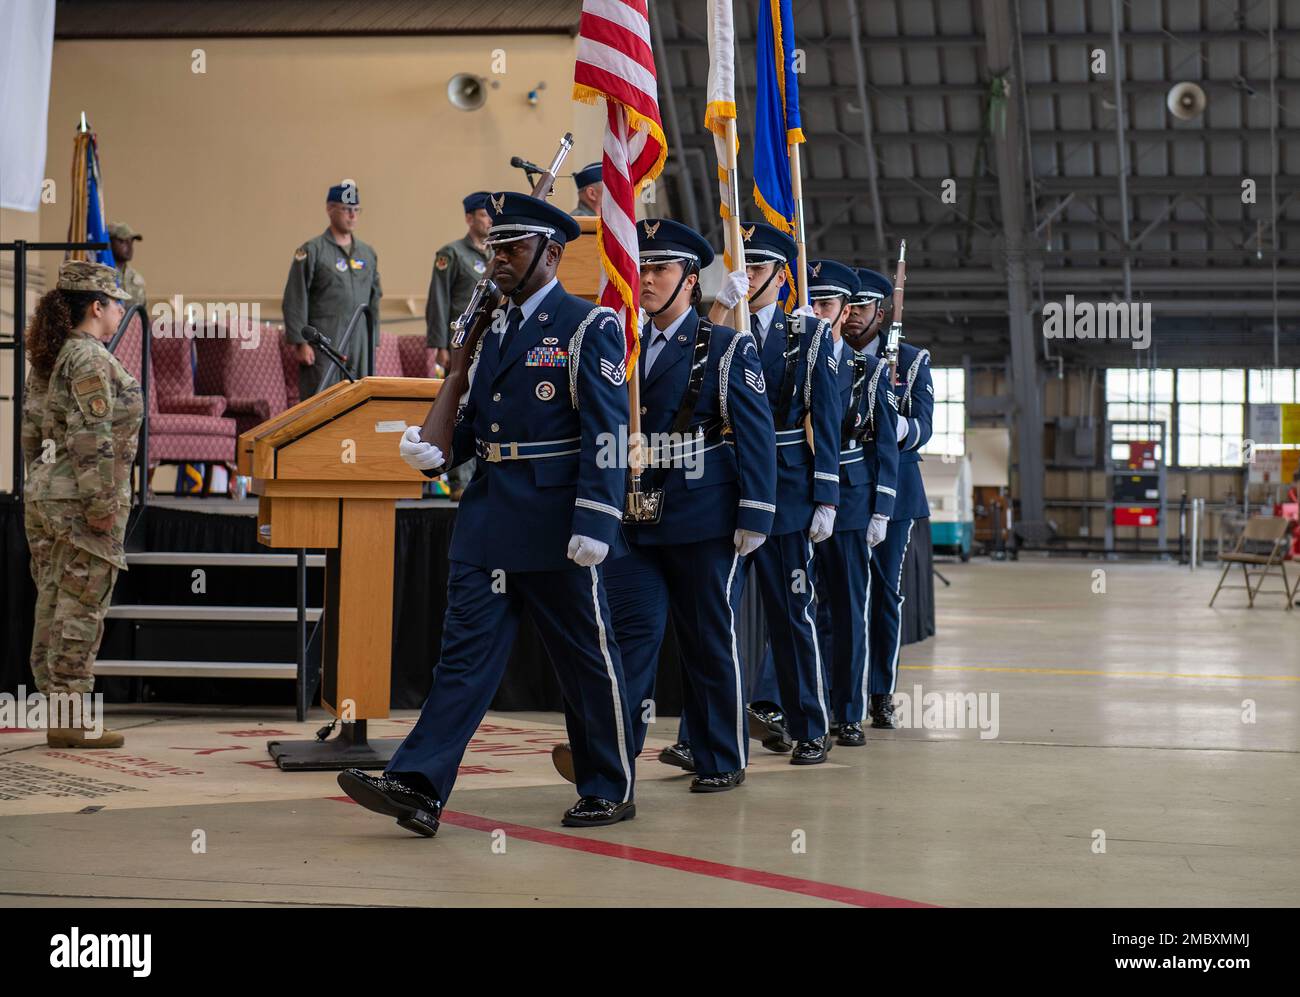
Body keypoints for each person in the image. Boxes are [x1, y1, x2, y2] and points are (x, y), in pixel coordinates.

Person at [337, 192, 636, 835]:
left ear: (550, 255)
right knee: (463, 661)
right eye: (496, 248)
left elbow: (607, 431)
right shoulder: (494, 327)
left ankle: (609, 785)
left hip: (559, 523)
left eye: (514, 248)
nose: (497, 259)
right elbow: (484, 423)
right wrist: (441, 443)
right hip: (490, 516)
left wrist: (597, 517)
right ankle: (418, 785)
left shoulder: (589, 326)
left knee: (586, 659)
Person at [551, 219, 776, 793]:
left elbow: (755, 433)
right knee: (629, 639)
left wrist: (756, 512)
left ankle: (722, 755)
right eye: (641, 269)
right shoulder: (619, 346)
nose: (645, 280)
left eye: (660, 270)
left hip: (704, 518)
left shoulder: (726, 346)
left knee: (707, 638)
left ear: (691, 281)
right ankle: (611, 751)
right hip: (634, 516)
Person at [660, 221, 840, 767]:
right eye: (743, 267)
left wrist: (826, 495)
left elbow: (825, 419)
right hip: (717, 484)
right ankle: (700, 737)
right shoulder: (716, 327)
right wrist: (719, 307)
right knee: (710, 620)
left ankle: (809, 725)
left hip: (783, 485)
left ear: (781, 276)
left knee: (790, 613)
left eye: (758, 268)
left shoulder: (806, 338)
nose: (748, 276)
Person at [22, 260, 143, 748]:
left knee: (53, 601)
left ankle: (59, 710)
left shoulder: (49, 356)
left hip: (47, 497)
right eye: (116, 304)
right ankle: (70, 719)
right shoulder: (90, 359)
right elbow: (92, 437)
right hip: (80, 501)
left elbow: (31, 433)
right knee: (80, 609)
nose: (120, 313)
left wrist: (44, 483)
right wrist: (99, 504)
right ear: (97, 307)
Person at [806, 260, 898, 746]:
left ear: (844, 312)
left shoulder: (867, 370)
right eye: (812, 302)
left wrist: (881, 509)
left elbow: (884, 444)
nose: (817, 312)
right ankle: (800, 710)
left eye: (826, 304)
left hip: (850, 500)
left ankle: (847, 711)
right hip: (800, 498)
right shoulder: (790, 359)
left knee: (847, 610)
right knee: (802, 610)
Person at [845, 268, 934, 727]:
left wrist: (898, 428)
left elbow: (924, 426)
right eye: (850, 306)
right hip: (843, 488)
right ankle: (839, 691)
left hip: (895, 496)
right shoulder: (830, 353)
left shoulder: (913, 361)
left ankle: (880, 690)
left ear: (882, 311)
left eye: (863, 307)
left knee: (884, 594)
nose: (854, 315)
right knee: (839, 596)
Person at [282, 181, 382, 400]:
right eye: (346, 209)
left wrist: (373, 339)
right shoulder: (312, 250)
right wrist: (301, 342)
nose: (353, 216)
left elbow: (375, 298)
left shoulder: (367, 253)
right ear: (330, 209)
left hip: (360, 341)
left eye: (356, 210)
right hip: (324, 341)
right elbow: (295, 296)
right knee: (320, 401)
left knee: (360, 400)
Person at [425, 191, 492, 372]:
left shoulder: (497, 254)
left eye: (492, 216)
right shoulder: (452, 253)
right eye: (484, 215)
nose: (490, 221)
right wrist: (441, 346)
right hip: (460, 339)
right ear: (469, 219)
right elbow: (438, 299)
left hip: (490, 337)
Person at [108, 222, 146, 310]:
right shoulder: (102, 275)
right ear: (109, 242)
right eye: (123, 241)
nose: (129, 247)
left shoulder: (137, 278)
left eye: (131, 241)